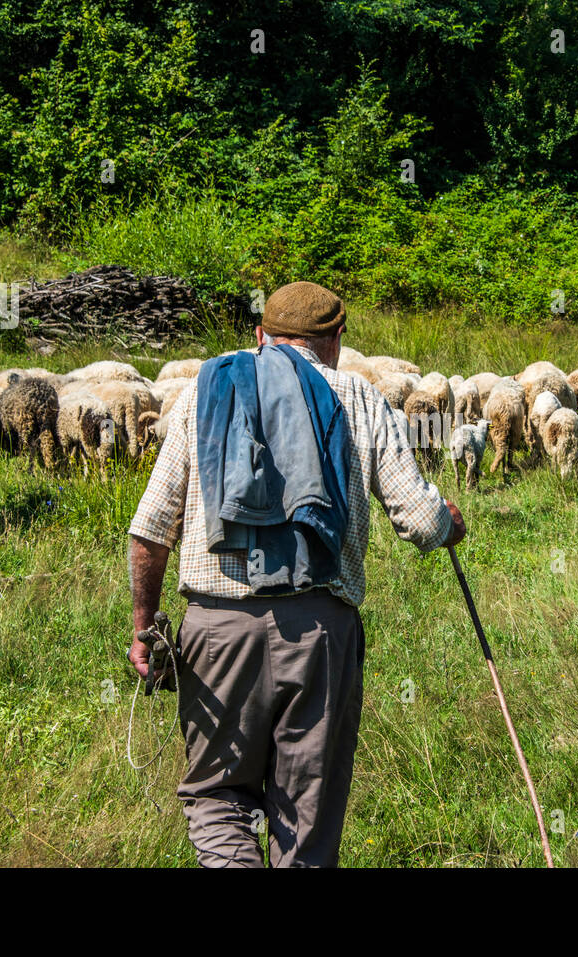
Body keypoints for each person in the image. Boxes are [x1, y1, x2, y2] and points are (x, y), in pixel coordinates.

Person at [127, 280, 466, 866]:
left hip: (217, 630)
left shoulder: (205, 390)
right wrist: (449, 524)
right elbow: (419, 519)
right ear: (335, 339)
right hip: (319, 634)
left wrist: (143, 625)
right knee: (305, 813)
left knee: (217, 794)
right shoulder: (359, 398)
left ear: (260, 335)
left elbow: (151, 529)